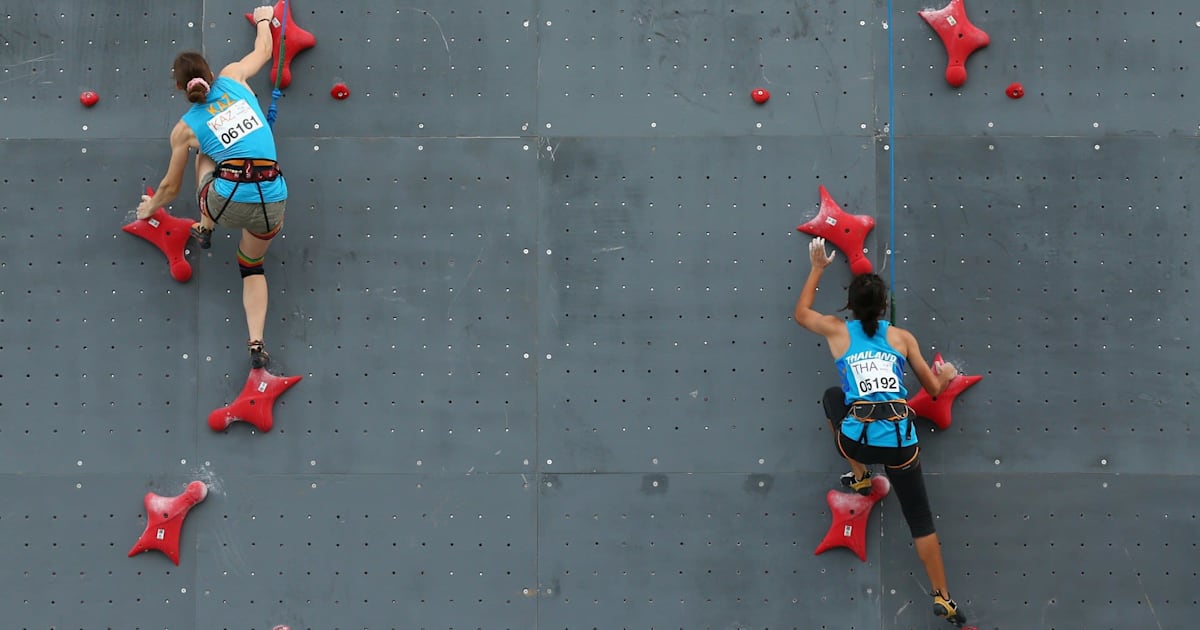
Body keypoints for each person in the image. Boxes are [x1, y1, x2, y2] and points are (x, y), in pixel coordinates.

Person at [793, 237, 967, 627]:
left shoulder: (837, 331)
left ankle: (859, 477)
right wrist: (948, 374)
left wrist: (819, 267)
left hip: (859, 438)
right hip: (901, 445)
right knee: (920, 518)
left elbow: (802, 313)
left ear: (849, 307)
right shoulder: (902, 339)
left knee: (832, 399)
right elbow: (935, 390)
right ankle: (944, 597)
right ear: (885, 307)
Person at [136, 5, 285, 370]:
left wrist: (149, 208)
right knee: (252, 266)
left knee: (206, 156)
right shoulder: (234, 77)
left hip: (224, 199)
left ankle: (204, 228)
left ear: (178, 88)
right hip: (271, 198)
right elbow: (264, 51)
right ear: (212, 73)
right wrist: (264, 19)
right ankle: (256, 344)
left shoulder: (185, 127)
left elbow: (170, 187)